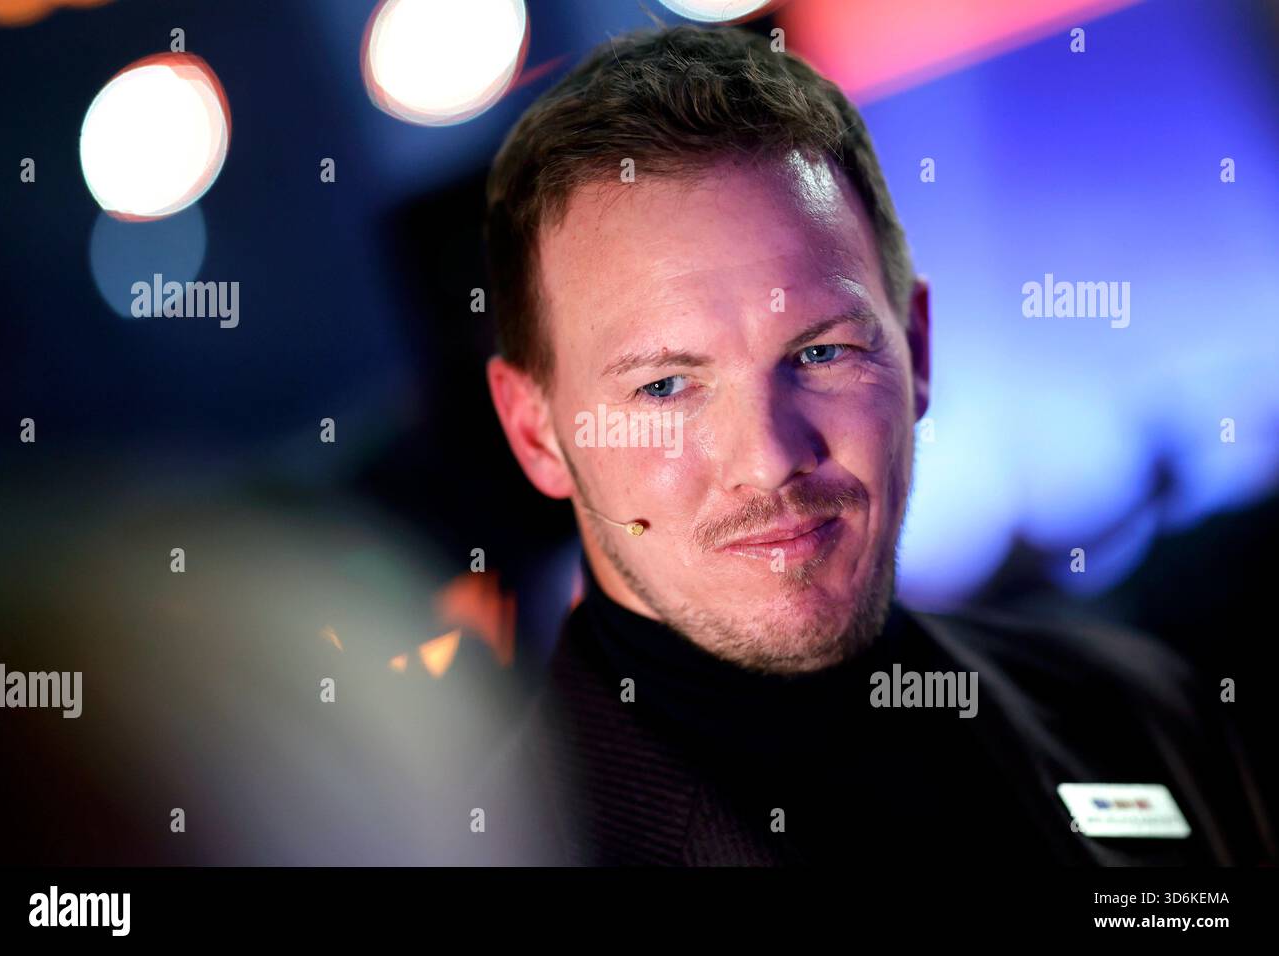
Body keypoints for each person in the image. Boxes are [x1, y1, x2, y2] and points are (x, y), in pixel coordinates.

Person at [450, 25, 1273, 866]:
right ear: (535, 433)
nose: (770, 458)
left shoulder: (1136, 714)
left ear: (916, 349)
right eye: (664, 386)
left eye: (820, 352)